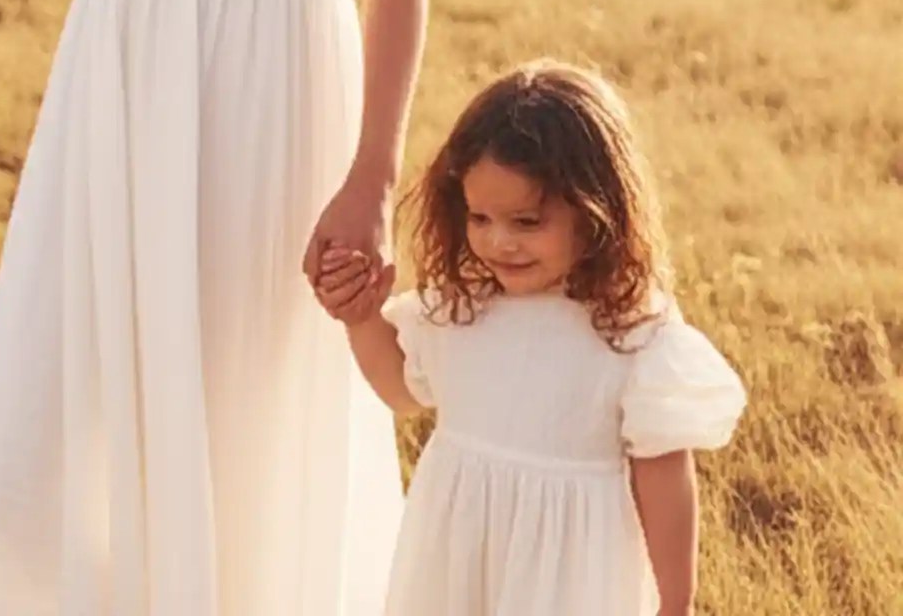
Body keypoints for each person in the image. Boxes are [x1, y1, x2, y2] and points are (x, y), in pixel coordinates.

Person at [0, 0, 433, 614]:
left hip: (264, 54)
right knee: (67, 368)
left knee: (235, 393)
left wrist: (373, 180)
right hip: (130, 16)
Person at [316, 59, 748, 615]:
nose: (499, 243)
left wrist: (676, 600)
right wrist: (360, 315)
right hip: (456, 559)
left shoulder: (628, 332)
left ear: (595, 212)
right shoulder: (464, 307)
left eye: (526, 222)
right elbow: (400, 389)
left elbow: (662, 470)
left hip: (569, 576)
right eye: (480, 218)